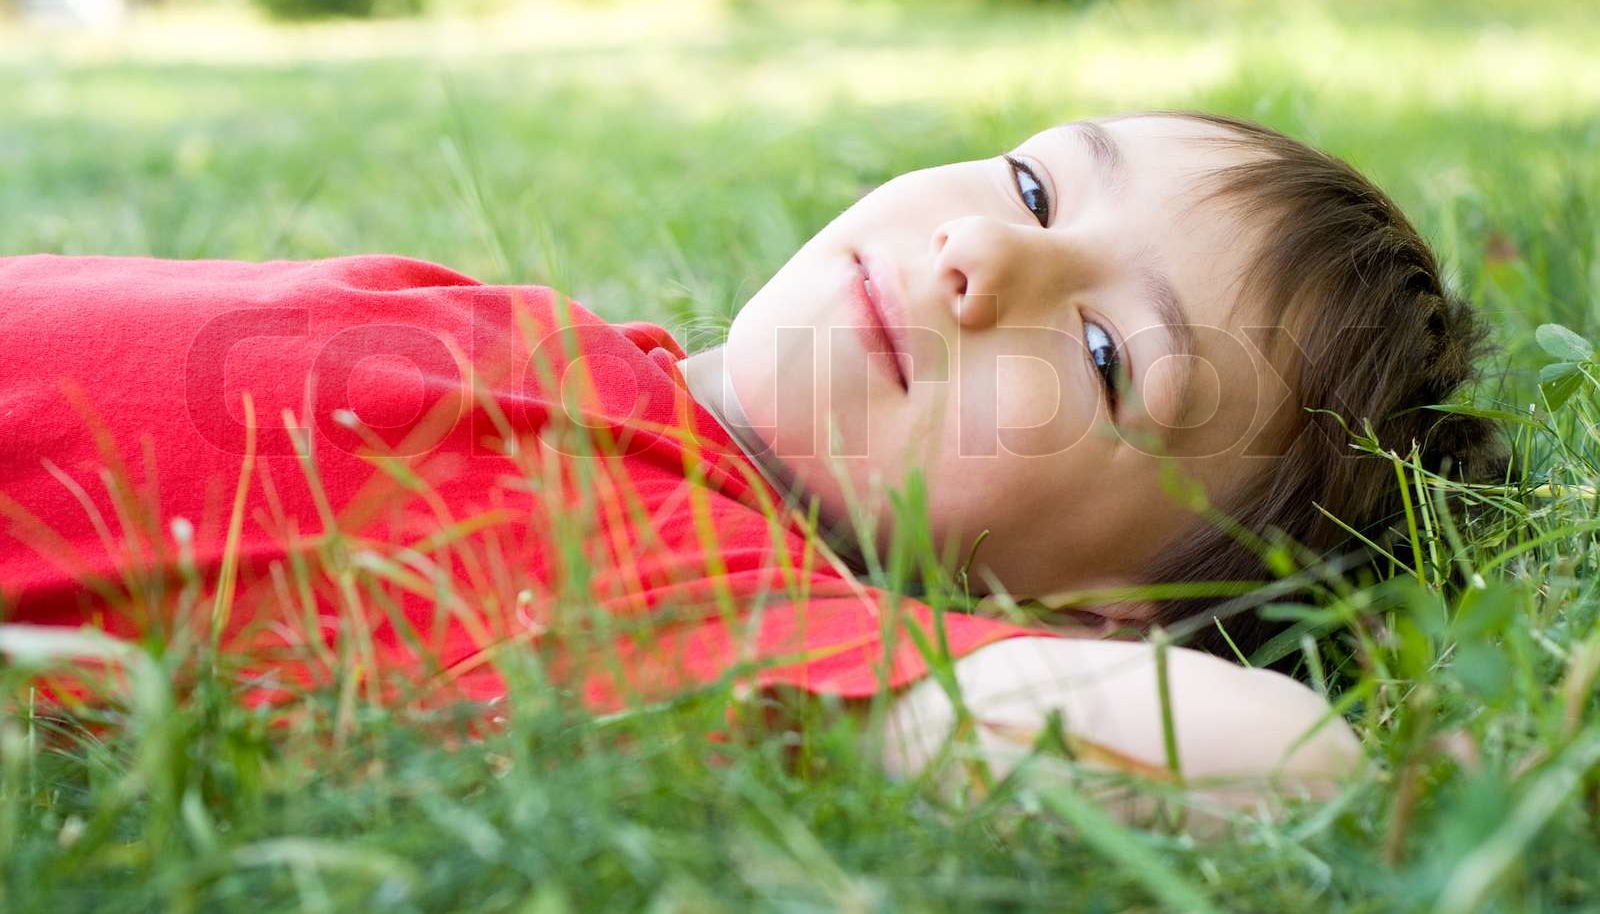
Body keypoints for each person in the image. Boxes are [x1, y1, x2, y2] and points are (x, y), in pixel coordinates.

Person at [0, 111, 1504, 818]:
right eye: (1038, 185)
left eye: (1106, 357)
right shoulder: (599, 368)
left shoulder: (682, 580)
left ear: (1084, 623)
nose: (984, 251)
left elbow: (1279, 757)